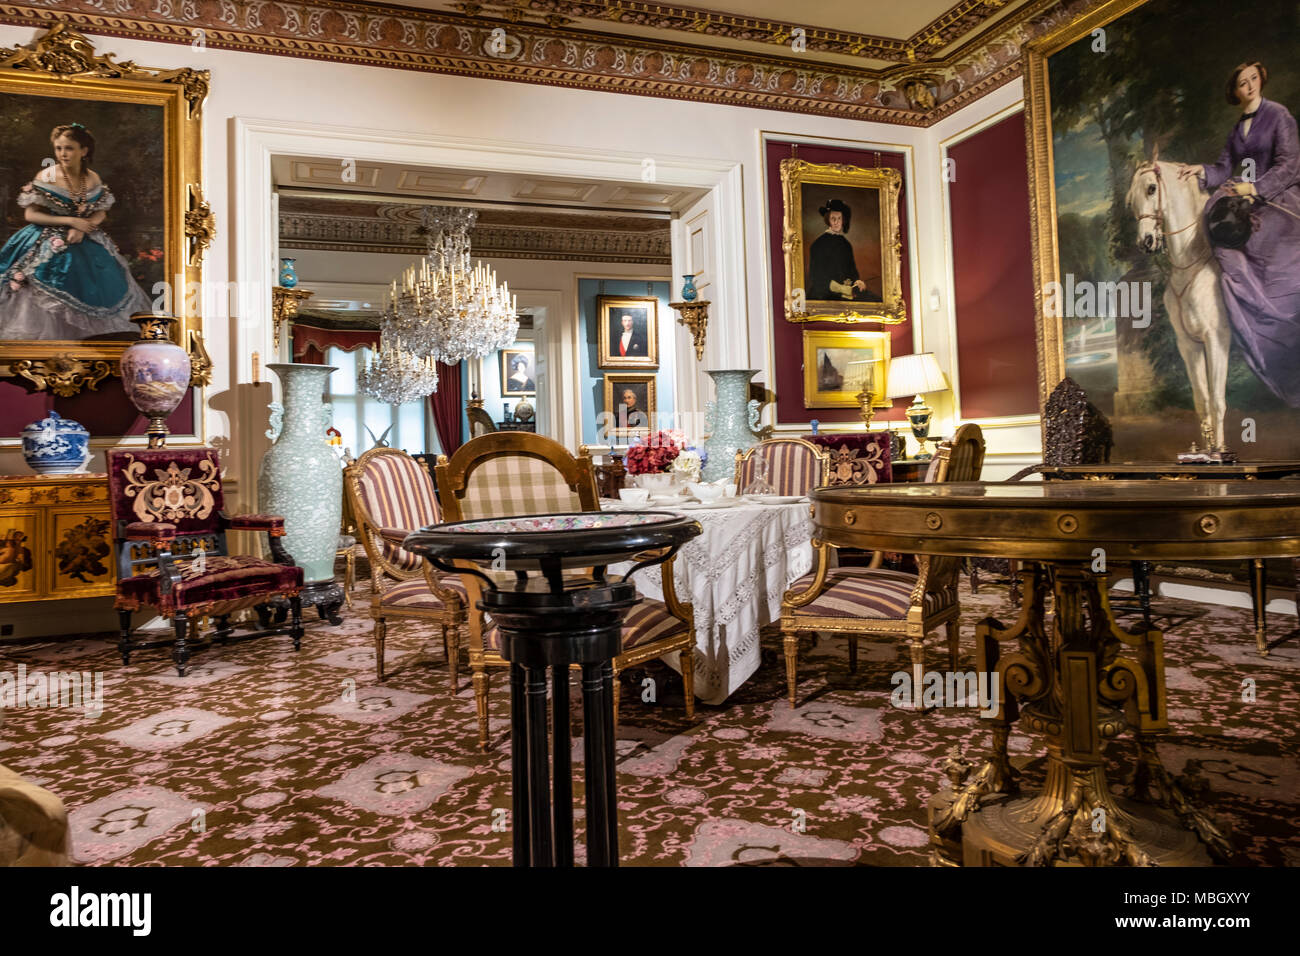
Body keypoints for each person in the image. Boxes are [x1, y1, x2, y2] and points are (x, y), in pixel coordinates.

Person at [1178, 61, 1300, 407]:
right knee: (1220, 230)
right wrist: (1198, 170)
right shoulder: (1236, 130)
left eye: (1253, 79)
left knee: (1271, 245)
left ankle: (1279, 317)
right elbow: (1221, 168)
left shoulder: (1280, 115)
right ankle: (1245, 306)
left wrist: (1255, 189)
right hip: (1244, 199)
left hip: (1278, 196)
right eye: (1242, 83)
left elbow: (1290, 165)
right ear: (1234, 92)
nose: (1249, 86)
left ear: (1261, 79)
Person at [0, 123, 151, 341]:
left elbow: (101, 213)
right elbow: (31, 215)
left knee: (103, 283)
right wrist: (72, 221)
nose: (62, 154)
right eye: (58, 148)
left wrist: (86, 224)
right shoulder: (47, 175)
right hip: (45, 238)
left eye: (69, 148)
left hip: (86, 240)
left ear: (84, 150)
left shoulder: (92, 178)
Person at [806, 198, 881, 303]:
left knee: (876, 301)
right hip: (825, 294)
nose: (836, 222)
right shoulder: (818, 244)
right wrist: (840, 288)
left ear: (843, 220)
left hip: (847, 294)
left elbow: (852, 271)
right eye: (833, 219)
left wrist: (857, 281)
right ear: (828, 220)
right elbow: (816, 277)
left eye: (839, 218)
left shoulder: (846, 245)